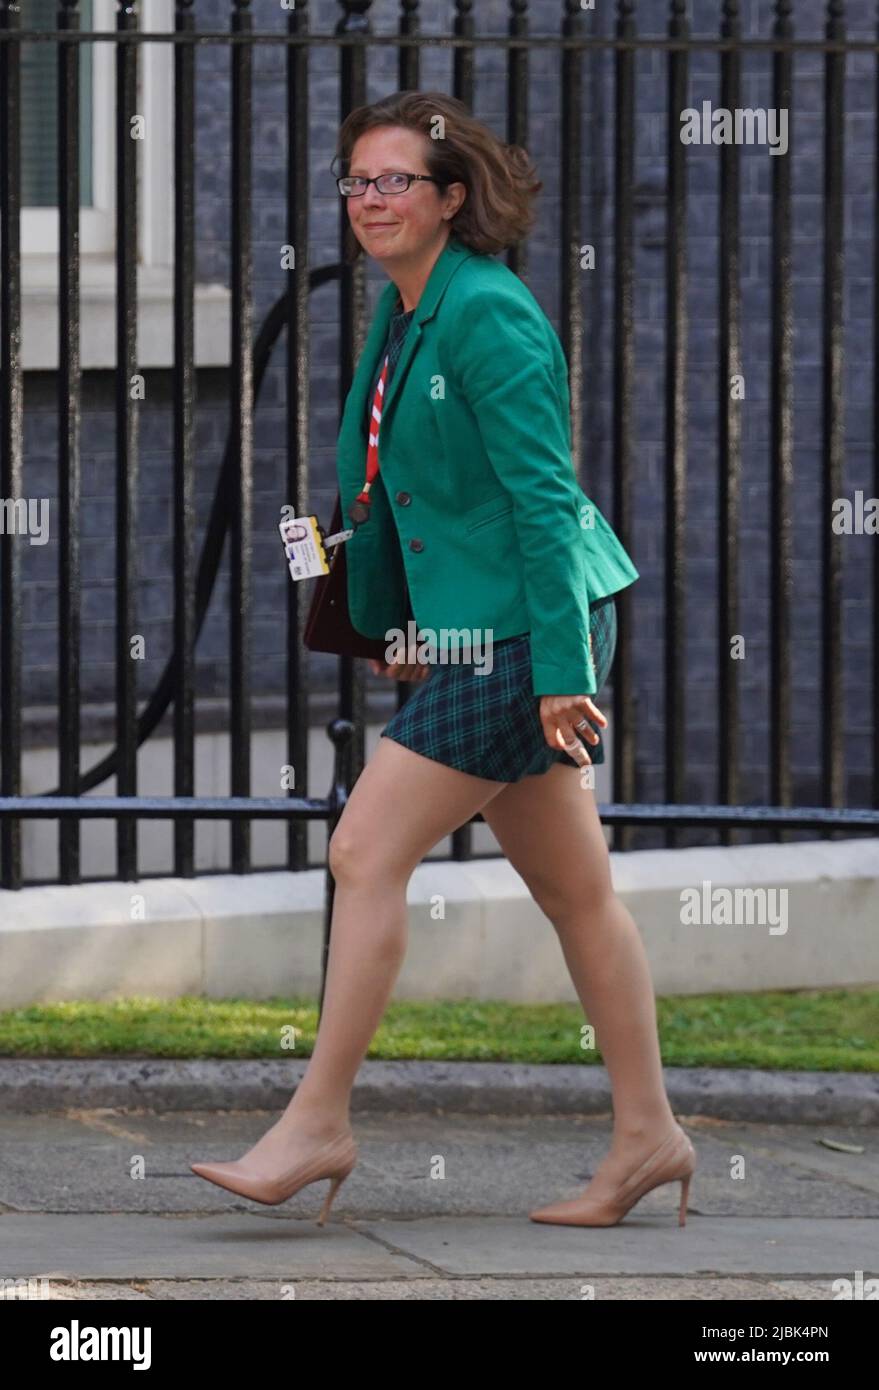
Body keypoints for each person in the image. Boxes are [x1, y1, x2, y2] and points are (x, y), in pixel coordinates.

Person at [192, 91, 696, 1229]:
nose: (370, 201)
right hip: (475, 632)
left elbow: (540, 502)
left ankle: (318, 1121)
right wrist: (392, 622)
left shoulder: (490, 316)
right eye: (356, 183)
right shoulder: (404, 311)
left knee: (365, 847)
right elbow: (406, 495)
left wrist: (563, 671)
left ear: (452, 198)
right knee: (578, 894)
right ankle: (650, 1136)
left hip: (531, 633)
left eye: (396, 182)